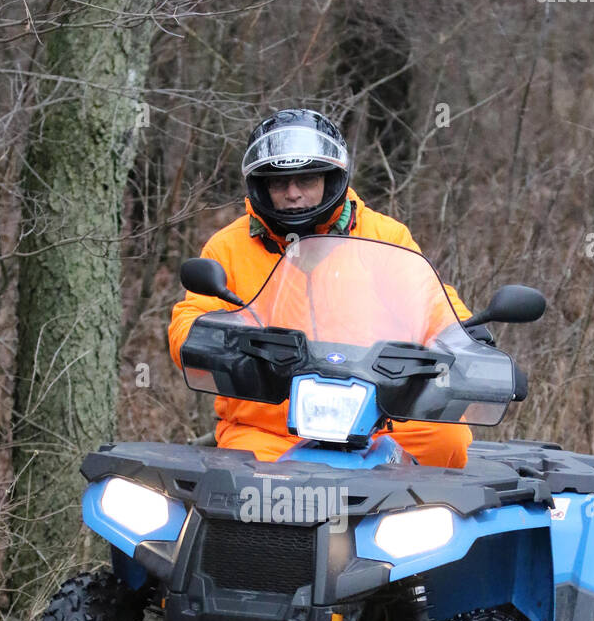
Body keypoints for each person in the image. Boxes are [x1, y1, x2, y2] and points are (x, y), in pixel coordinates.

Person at [169, 109, 472, 466]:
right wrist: (219, 342)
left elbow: (430, 299)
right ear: (261, 186)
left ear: (330, 180)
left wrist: (463, 335)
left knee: (446, 438)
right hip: (269, 426)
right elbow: (191, 317)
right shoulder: (227, 247)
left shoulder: (384, 236)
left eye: (307, 180)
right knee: (244, 490)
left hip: (379, 418)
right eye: (279, 183)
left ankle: (424, 521)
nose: (293, 194)